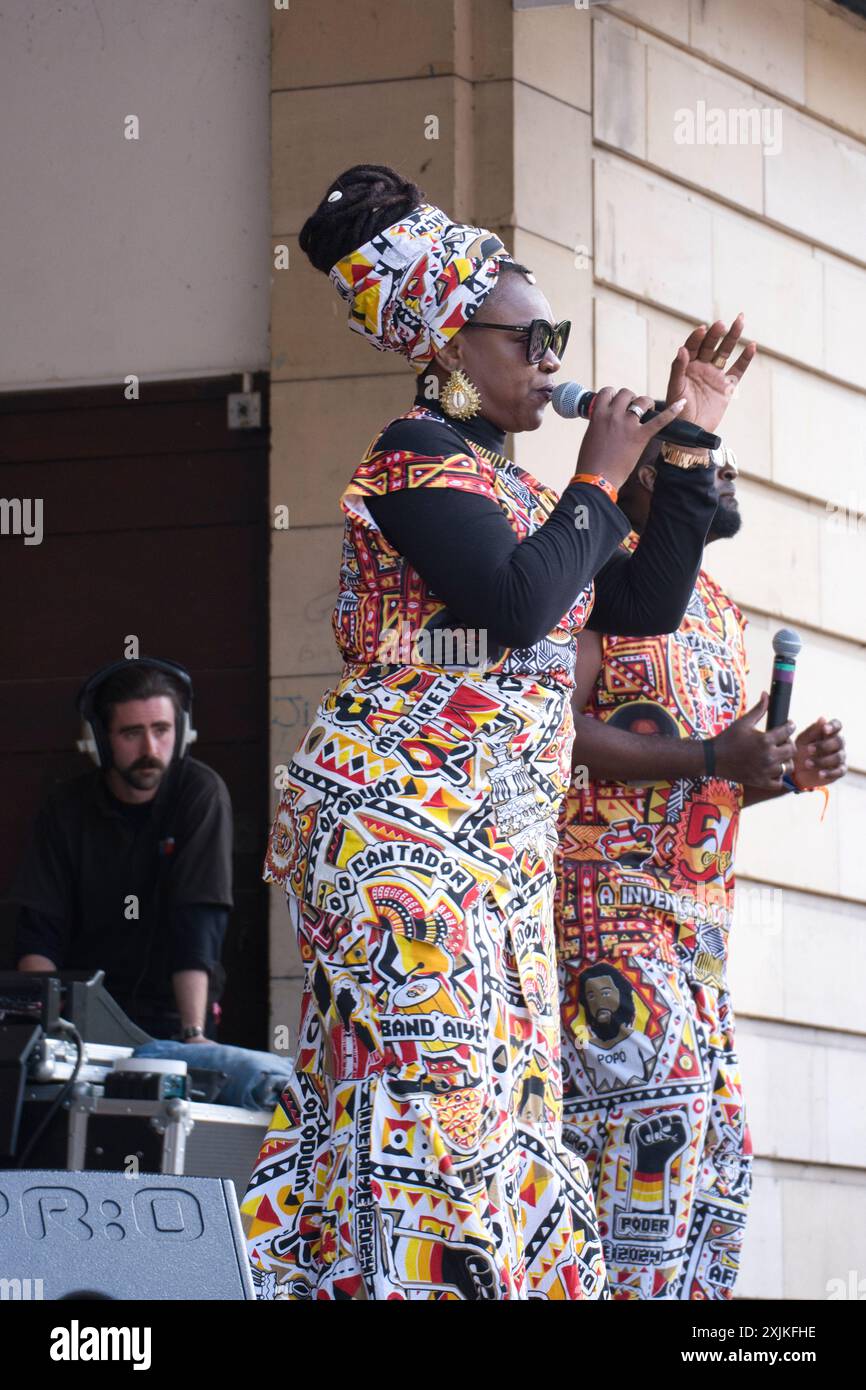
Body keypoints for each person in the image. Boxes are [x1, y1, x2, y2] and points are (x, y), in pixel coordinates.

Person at [241, 162, 722, 1302]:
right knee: (436, 1105)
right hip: (399, 831)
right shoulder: (410, 457)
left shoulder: (510, 492)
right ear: (452, 343)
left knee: (495, 1110)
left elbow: (641, 606)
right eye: (530, 336)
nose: (552, 359)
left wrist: (688, 441)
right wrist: (600, 475)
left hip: (491, 857)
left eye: (555, 336)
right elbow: (512, 609)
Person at [555, 413, 847, 1299]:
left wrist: (775, 772)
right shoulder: (600, 582)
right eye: (693, 460)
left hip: (699, 932)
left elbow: (700, 783)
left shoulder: (720, 609)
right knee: (660, 1111)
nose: (717, 476)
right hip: (602, 909)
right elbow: (553, 730)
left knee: (721, 1159)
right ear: (646, 478)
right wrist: (715, 757)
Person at [10, 658, 233, 1042]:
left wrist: (193, 1033)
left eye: (161, 730)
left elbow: (197, 919)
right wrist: (41, 1031)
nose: (150, 748)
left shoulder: (200, 793)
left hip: (174, 1009)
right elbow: (40, 929)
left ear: (180, 732)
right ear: (101, 739)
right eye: (131, 733)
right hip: (80, 1011)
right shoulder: (65, 807)